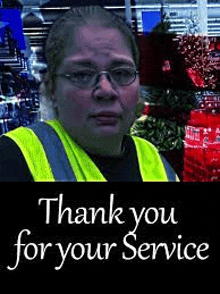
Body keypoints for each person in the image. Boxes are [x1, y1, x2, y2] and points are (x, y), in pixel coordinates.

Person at [0, 5, 178, 181]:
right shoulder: (14, 157)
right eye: (82, 74)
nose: (106, 90)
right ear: (52, 88)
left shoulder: (154, 160)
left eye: (122, 73)